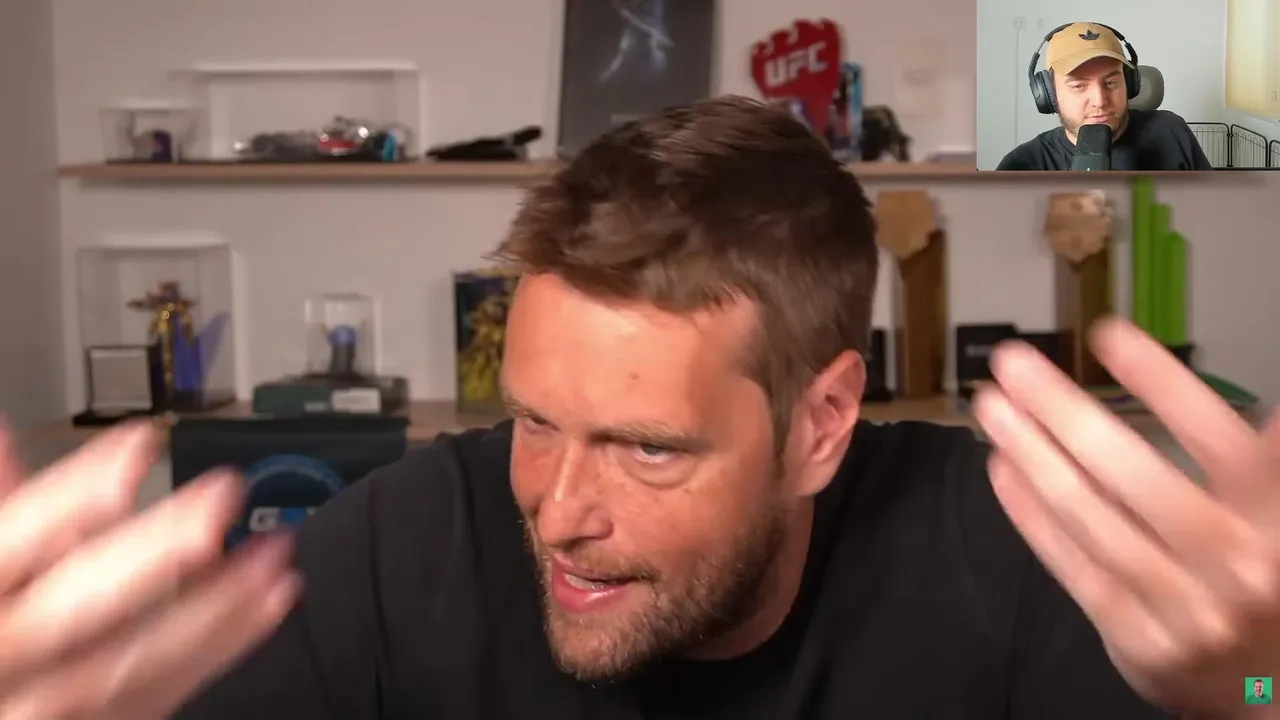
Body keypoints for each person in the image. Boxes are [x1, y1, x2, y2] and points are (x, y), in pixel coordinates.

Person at [0, 97, 1277, 720]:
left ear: (820, 424)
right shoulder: (404, 548)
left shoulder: (1003, 552)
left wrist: (1257, 687)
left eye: (646, 449)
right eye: (534, 420)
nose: (557, 512)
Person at [997, 22, 1213, 171]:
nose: (1100, 101)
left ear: (1130, 83)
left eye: (1111, 83)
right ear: (1049, 95)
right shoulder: (1023, 166)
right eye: (1079, 86)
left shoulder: (1171, 132)